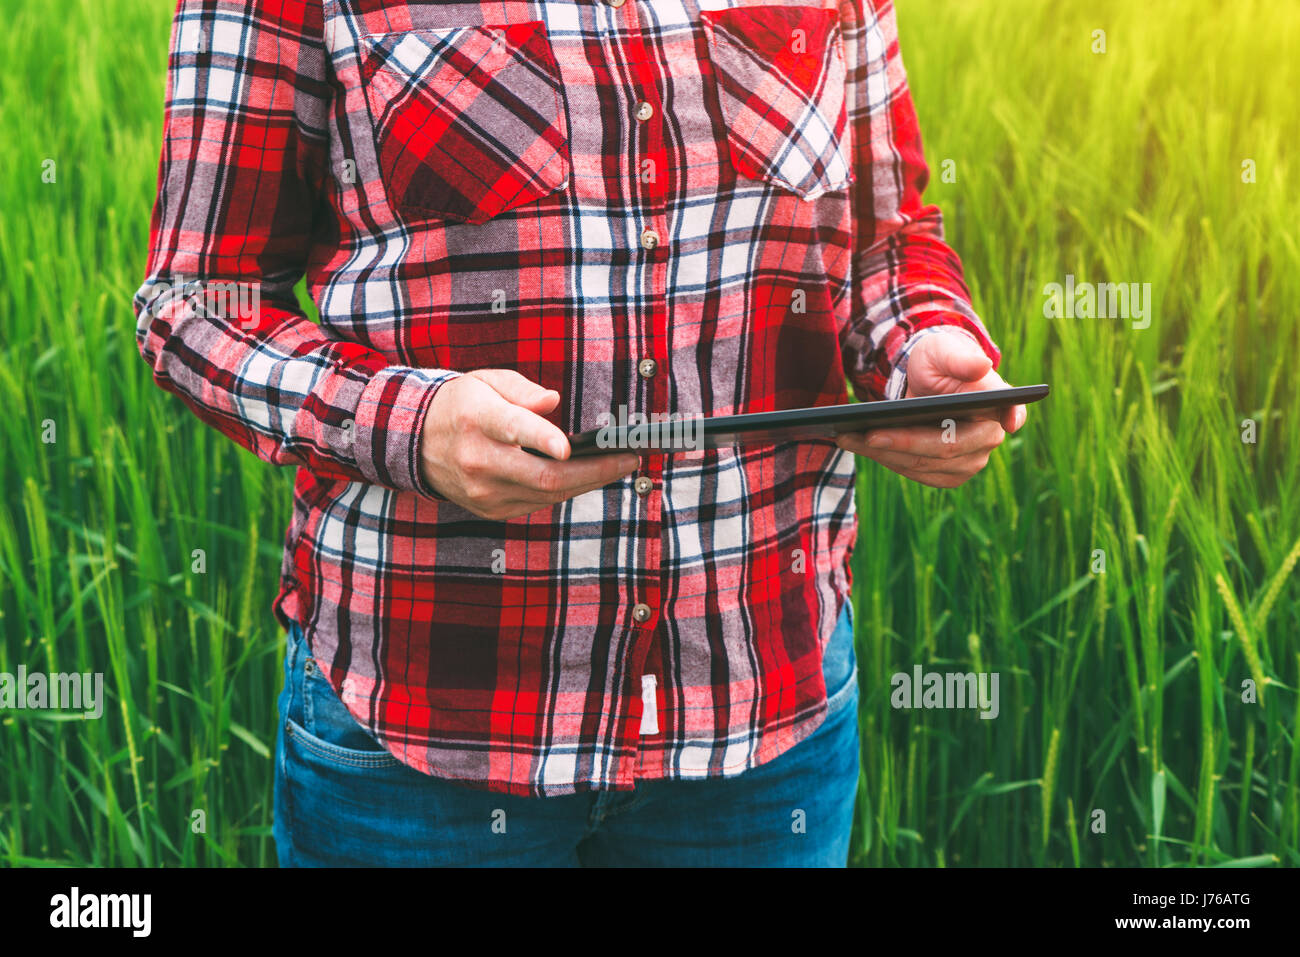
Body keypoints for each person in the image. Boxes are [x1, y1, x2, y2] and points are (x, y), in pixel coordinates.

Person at [135, 0, 1025, 866]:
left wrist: (918, 343)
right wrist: (412, 424)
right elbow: (195, 302)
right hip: (421, 734)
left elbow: (883, 238)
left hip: (764, 714)